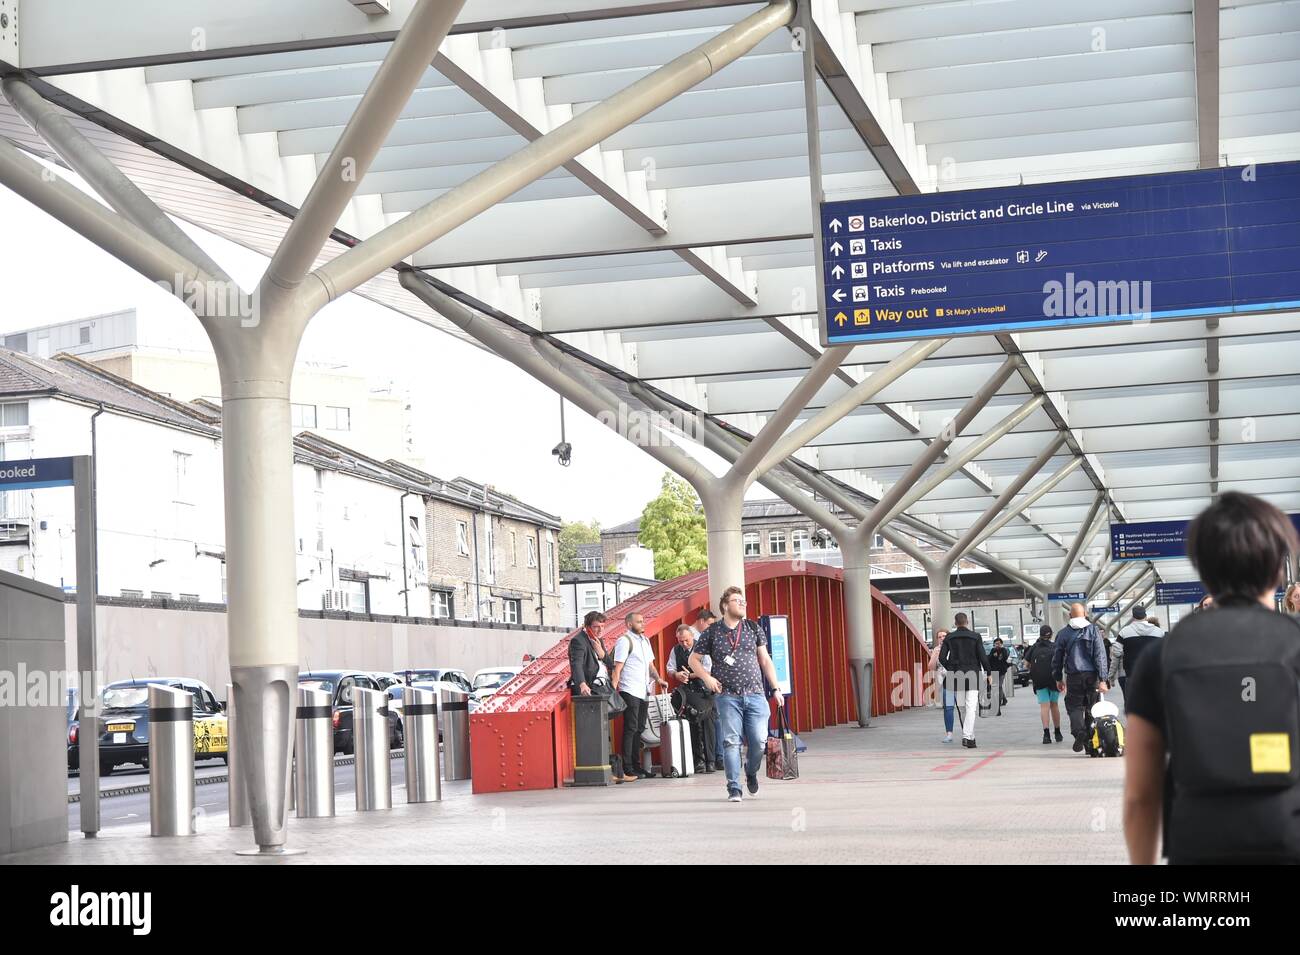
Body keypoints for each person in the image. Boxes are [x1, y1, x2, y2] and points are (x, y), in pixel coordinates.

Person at [1125, 492, 1300, 864]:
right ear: (1278, 570)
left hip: (1198, 844)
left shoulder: (1162, 656)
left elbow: (1141, 795)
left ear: (1203, 570)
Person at [690, 586, 785, 803]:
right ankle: (734, 788)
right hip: (727, 696)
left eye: (743, 601)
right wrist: (707, 678)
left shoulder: (752, 628)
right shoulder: (712, 632)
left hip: (755, 694)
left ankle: (750, 771)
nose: (742, 603)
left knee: (759, 742)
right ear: (725, 605)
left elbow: (765, 660)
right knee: (731, 742)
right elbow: (693, 660)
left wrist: (776, 688)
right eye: (737, 600)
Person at [610, 611, 668, 781]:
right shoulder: (624, 641)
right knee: (631, 728)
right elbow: (617, 668)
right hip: (630, 690)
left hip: (644, 690)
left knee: (639, 729)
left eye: (643, 621)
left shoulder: (645, 641)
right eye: (639, 622)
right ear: (629, 624)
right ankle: (628, 768)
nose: (643, 624)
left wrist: (658, 679)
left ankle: (637, 766)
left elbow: (650, 665)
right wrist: (614, 690)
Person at [1051, 602, 1109, 754]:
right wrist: (1103, 679)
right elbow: (1100, 656)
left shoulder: (1063, 633)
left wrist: (1058, 678)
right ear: (1085, 614)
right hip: (1092, 676)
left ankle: (1079, 732)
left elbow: (1057, 658)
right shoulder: (1093, 630)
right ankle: (1090, 745)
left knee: (1074, 706)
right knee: (1092, 709)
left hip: (1074, 676)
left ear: (1070, 615)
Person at [667, 623, 716, 773]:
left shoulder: (702, 647)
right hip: (688, 692)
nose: (684, 643)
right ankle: (698, 761)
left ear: (692, 637)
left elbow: (707, 669)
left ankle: (711, 761)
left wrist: (690, 674)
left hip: (704, 690)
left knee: (708, 725)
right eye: (681, 641)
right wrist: (676, 675)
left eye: (687, 640)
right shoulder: (675, 650)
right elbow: (670, 668)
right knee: (693, 725)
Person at [937, 613, 989, 749]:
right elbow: (983, 657)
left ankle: (970, 738)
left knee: (962, 708)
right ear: (967, 622)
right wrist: (989, 672)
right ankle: (967, 736)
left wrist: (951, 667)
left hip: (956, 674)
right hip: (972, 673)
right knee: (971, 707)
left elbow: (942, 657)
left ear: (955, 622)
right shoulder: (976, 637)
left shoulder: (949, 637)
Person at [1114, 604, 1163, 709]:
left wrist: (1110, 676)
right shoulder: (1159, 632)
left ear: (1133, 617)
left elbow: (1116, 653)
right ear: (1145, 616)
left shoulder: (1124, 632)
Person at [692, 608, 724, 770]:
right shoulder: (694, 637)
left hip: (710, 684)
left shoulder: (706, 636)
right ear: (702, 621)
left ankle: (716, 757)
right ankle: (716, 758)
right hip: (704, 686)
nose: (712, 627)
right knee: (713, 721)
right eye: (710, 624)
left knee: (715, 721)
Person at [1023, 624, 1063, 744]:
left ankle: (1046, 734)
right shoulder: (1055, 646)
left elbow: (1026, 663)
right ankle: (1057, 732)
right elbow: (1060, 663)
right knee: (1054, 705)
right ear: (1051, 635)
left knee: (1044, 707)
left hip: (1039, 681)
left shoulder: (1034, 647)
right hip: (1053, 679)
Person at [928, 629, 955, 743]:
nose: (942, 638)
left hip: (957, 679)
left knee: (962, 707)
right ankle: (949, 733)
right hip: (945, 682)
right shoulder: (936, 649)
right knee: (948, 708)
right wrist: (935, 655)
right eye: (940, 637)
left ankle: (967, 732)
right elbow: (931, 667)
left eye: (944, 636)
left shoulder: (954, 648)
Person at [987, 637, 1010, 711]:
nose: (997, 645)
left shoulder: (1004, 650)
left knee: (999, 686)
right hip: (994, 671)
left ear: (1001, 644)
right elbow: (988, 659)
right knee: (997, 686)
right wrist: (993, 655)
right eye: (996, 644)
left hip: (1002, 671)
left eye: (999, 644)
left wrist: (1000, 654)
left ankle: (998, 702)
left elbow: (1004, 657)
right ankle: (1004, 699)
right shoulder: (993, 650)